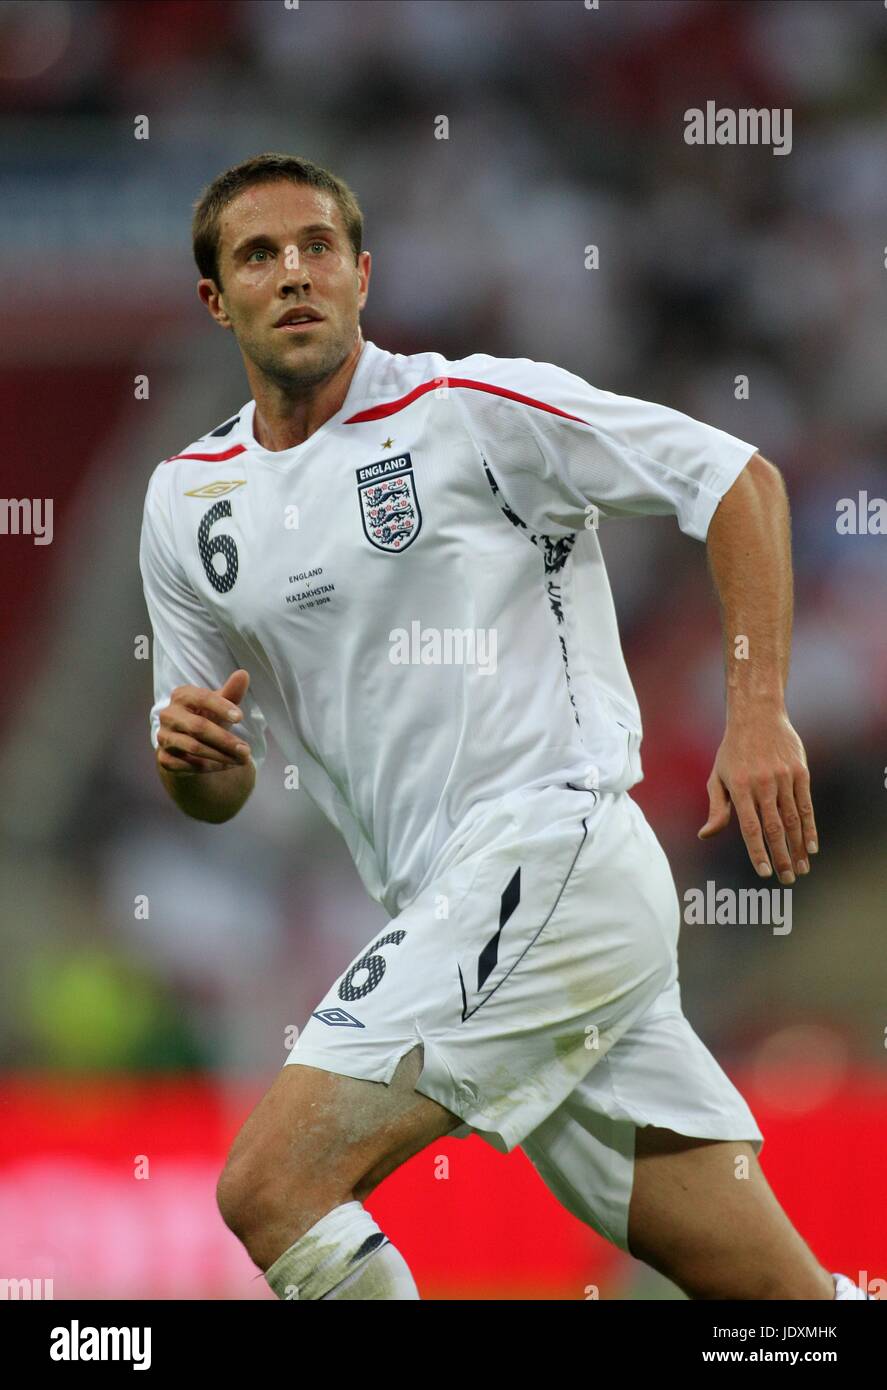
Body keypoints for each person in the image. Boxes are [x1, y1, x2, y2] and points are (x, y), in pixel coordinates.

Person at [139, 153, 870, 1301]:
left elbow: (736, 480)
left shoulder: (466, 407)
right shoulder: (186, 502)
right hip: (468, 906)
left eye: (317, 247)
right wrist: (196, 765)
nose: (293, 273)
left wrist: (756, 707)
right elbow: (211, 779)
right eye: (257, 255)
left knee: (271, 1187)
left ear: (363, 274)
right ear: (213, 299)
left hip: (549, 853)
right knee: (777, 1302)